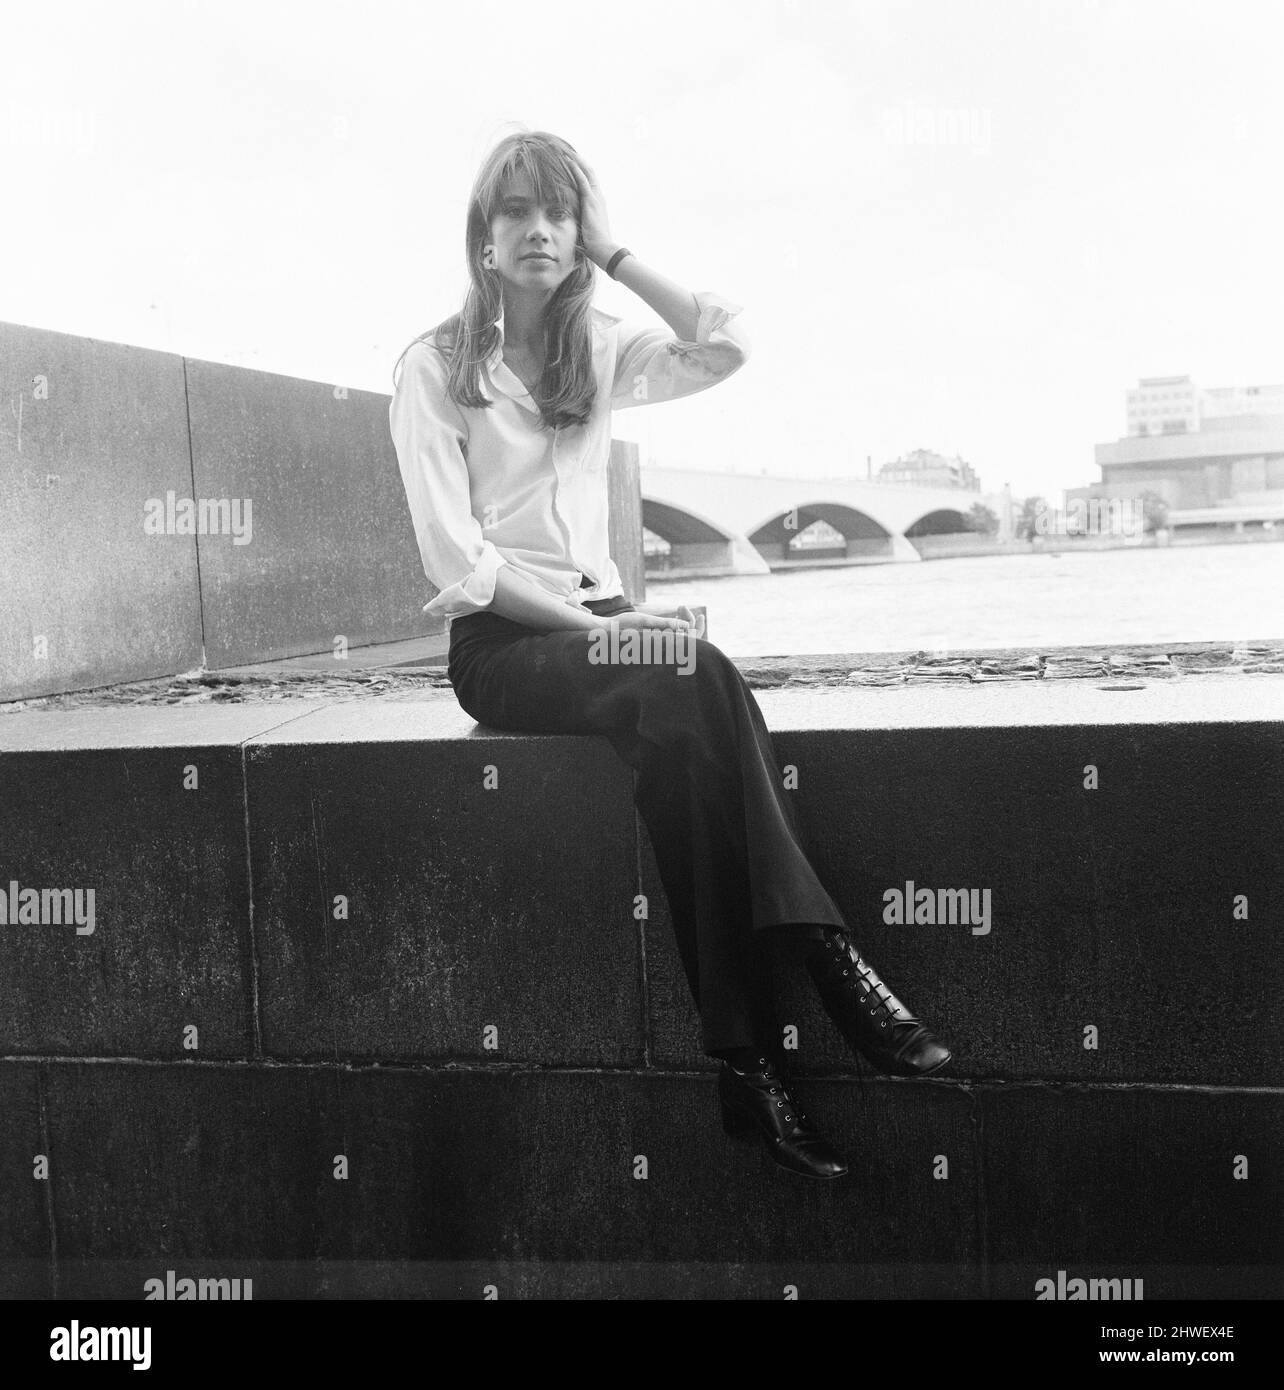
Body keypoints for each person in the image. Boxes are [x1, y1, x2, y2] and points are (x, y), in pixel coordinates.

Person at [388, 129, 952, 1181]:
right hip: (508, 644)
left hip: (608, 631)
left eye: (561, 211)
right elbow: (458, 561)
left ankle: (748, 1069)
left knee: (688, 768)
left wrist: (619, 253)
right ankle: (824, 953)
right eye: (518, 212)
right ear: (483, 236)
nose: (540, 229)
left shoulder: (597, 347)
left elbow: (726, 345)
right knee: (688, 665)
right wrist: (604, 632)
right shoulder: (433, 368)